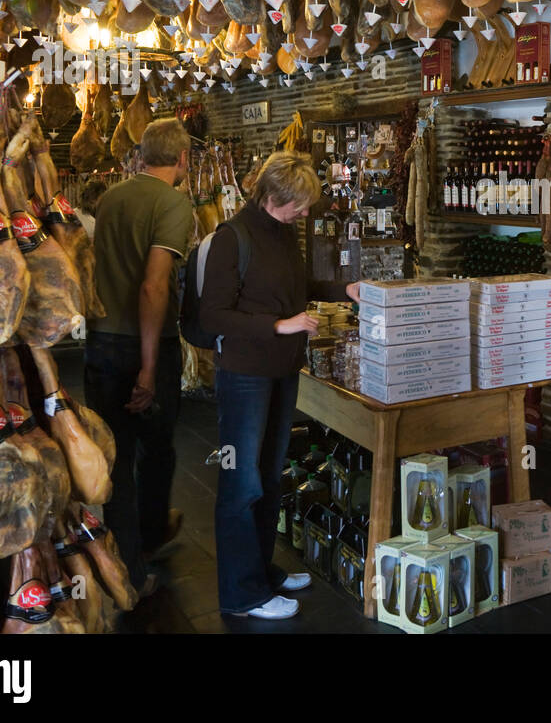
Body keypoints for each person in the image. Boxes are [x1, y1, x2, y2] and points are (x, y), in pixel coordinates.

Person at [200, 151, 360, 620]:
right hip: (245, 376)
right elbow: (214, 316)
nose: (306, 212)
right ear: (272, 197)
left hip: (281, 372)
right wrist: (279, 326)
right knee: (241, 483)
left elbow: (294, 285)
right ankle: (242, 594)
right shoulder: (232, 238)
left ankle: (262, 574)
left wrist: (340, 290)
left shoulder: (283, 232)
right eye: (299, 204)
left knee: (269, 478)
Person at [85, 119, 194, 599]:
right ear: (183, 159)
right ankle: (139, 557)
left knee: (115, 453)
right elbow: (153, 286)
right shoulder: (173, 203)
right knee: (158, 445)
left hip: (101, 342)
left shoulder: (110, 198)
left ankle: (127, 555)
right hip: (146, 343)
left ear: (140, 155)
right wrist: (149, 366)